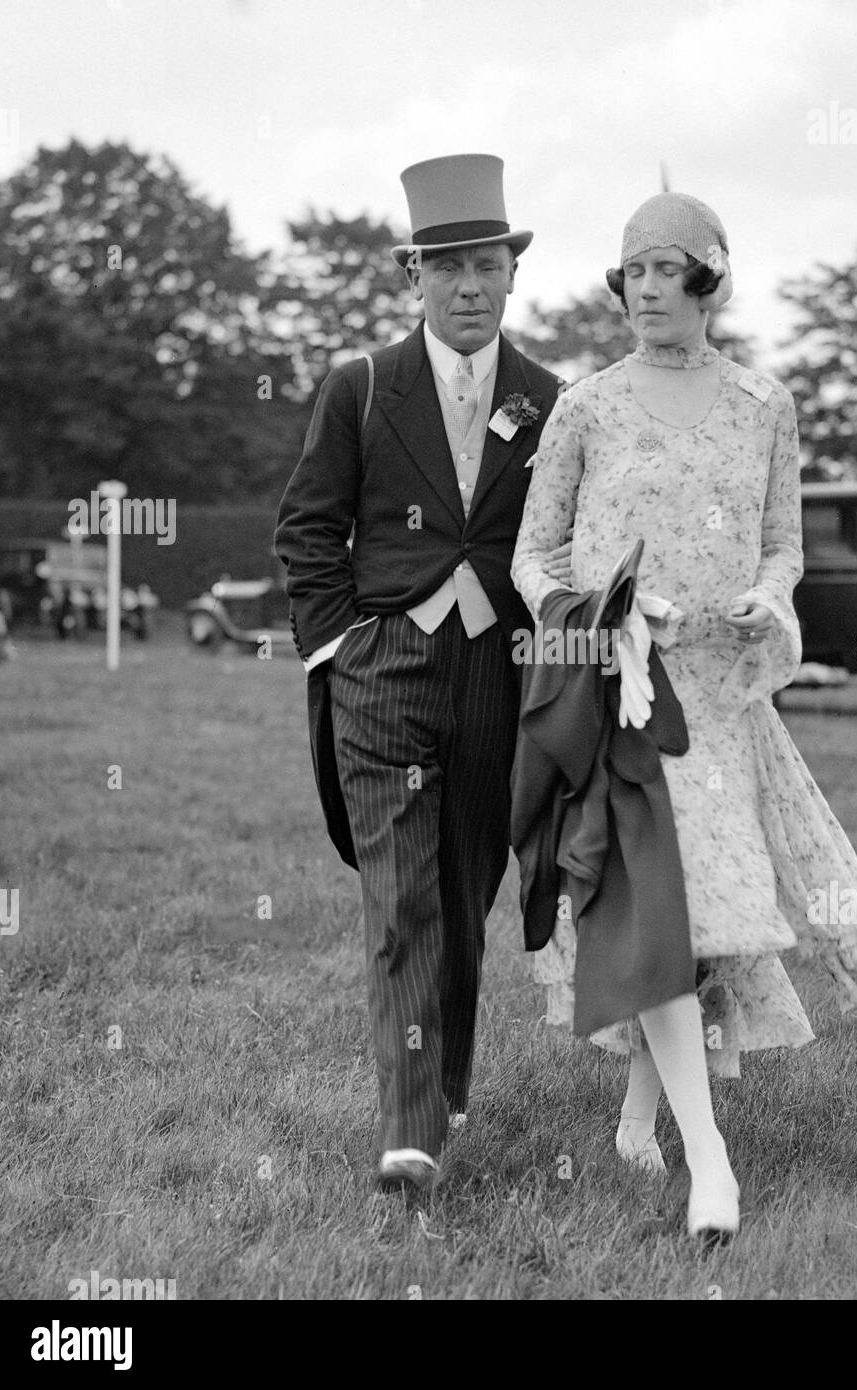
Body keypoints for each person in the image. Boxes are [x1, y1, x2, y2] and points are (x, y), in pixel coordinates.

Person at [511, 192, 857, 1243]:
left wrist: (769, 595)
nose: (643, 289)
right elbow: (531, 554)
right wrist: (596, 611)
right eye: (629, 271)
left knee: (700, 928)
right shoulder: (586, 406)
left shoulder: (762, 403)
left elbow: (785, 543)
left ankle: (637, 1124)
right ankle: (710, 1161)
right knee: (658, 919)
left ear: (706, 278)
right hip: (627, 701)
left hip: (724, 704)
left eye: (663, 268)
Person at [275, 154, 567, 1195]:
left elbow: (564, 539)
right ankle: (407, 1129)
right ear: (413, 276)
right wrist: (339, 644)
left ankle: (440, 1084)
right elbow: (308, 529)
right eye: (445, 267)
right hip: (383, 669)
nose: (468, 286)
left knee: (464, 887)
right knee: (400, 896)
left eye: (484, 263)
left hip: (499, 674)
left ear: (510, 273)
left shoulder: (550, 399)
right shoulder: (359, 387)